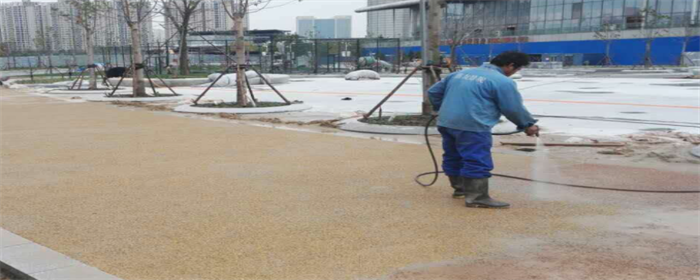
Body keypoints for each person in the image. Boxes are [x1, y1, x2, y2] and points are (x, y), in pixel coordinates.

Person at [428, 51, 539, 209]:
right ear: (510, 65)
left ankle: (460, 189)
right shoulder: (502, 82)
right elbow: (513, 108)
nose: (514, 73)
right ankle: (477, 197)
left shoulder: (460, 74)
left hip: (447, 123)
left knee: (453, 156)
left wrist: (443, 108)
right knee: (476, 159)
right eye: (516, 69)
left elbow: (433, 92)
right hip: (473, 125)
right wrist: (528, 125)